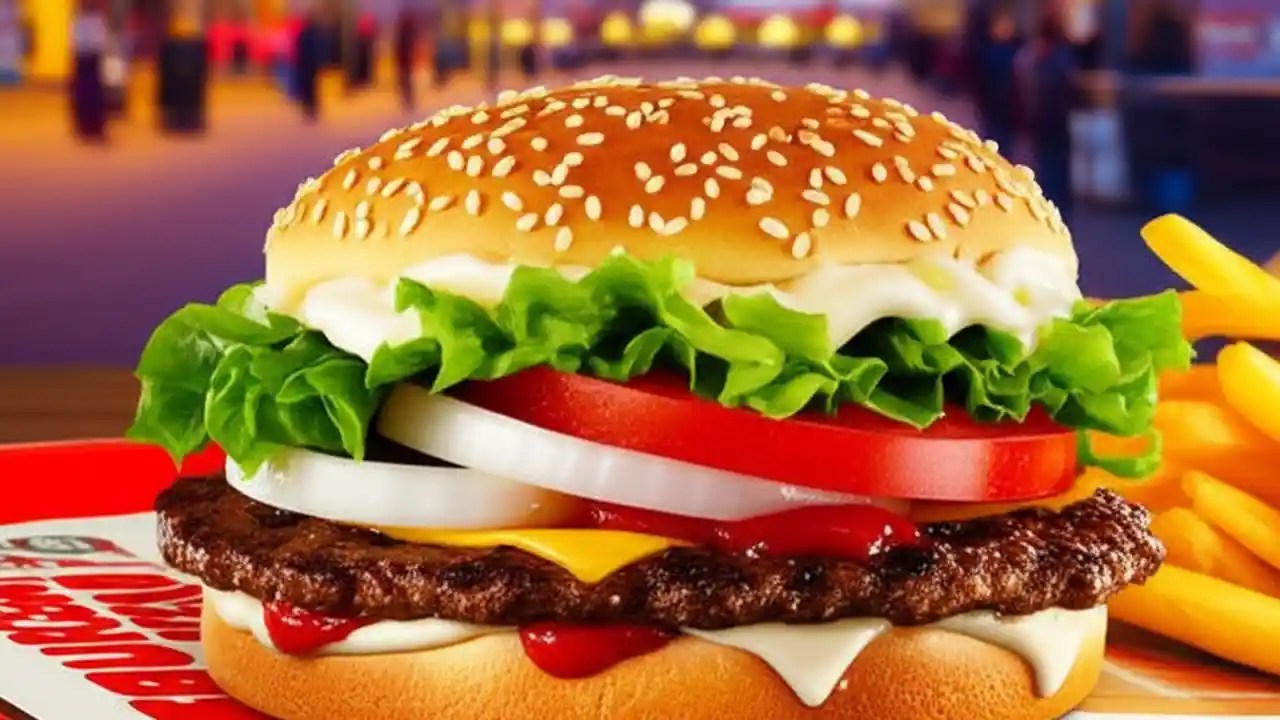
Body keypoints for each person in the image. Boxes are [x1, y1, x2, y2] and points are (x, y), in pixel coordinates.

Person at [1016, 11, 1077, 223]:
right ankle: (1056, 202)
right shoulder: (1061, 57)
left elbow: (1024, 86)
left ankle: (1052, 202)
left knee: (1049, 161)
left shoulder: (1031, 57)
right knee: (1055, 161)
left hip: (1043, 117)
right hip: (1054, 117)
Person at [976, 12, 1021, 156]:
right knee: (991, 142)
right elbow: (980, 79)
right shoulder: (987, 51)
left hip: (1008, 107)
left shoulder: (1015, 51)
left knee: (1006, 144)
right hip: (992, 105)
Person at [70, 2, 110, 142]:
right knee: (90, 88)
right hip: (89, 52)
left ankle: (88, 124)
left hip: (87, 52)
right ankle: (89, 124)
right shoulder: (90, 19)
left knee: (88, 88)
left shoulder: (85, 19)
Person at [294, 11, 322, 122]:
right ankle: (312, 109)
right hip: (311, 64)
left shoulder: (304, 33)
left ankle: (308, 109)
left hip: (305, 64)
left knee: (307, 88)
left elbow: (299, 48)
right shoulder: (315, 34)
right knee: (312, 88)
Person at [393, 9, 417, 110]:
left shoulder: (403, 32)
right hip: (405, 59)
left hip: (404, 59)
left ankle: (407, 99)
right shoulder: (408, 32)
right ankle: (408, 99)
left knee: (405, 79)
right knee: (406, 79)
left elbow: (400, 46)